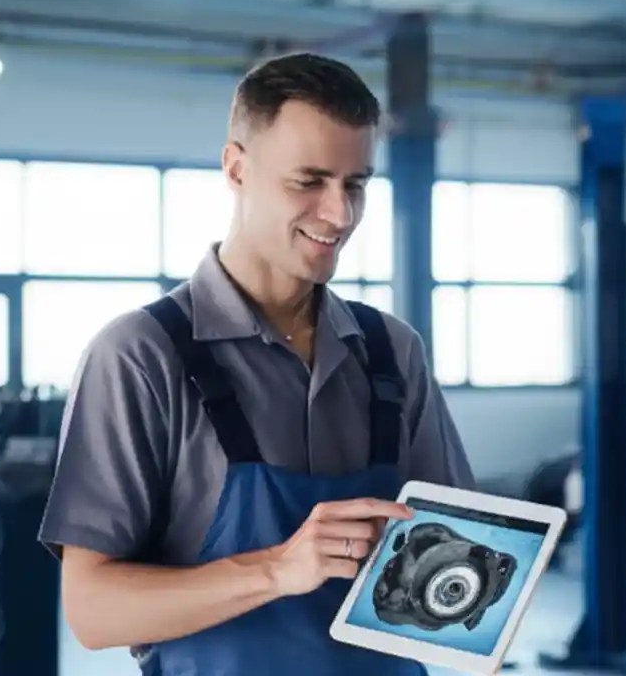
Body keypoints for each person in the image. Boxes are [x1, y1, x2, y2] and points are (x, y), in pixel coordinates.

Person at [37, 53, 475, 676]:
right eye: (309, 181)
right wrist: (276, 570)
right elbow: (93, 612)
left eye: (355, 185)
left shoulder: (391, 351)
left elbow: (459, 545)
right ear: (237, 168)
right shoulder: (140, 356)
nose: (340, 214)